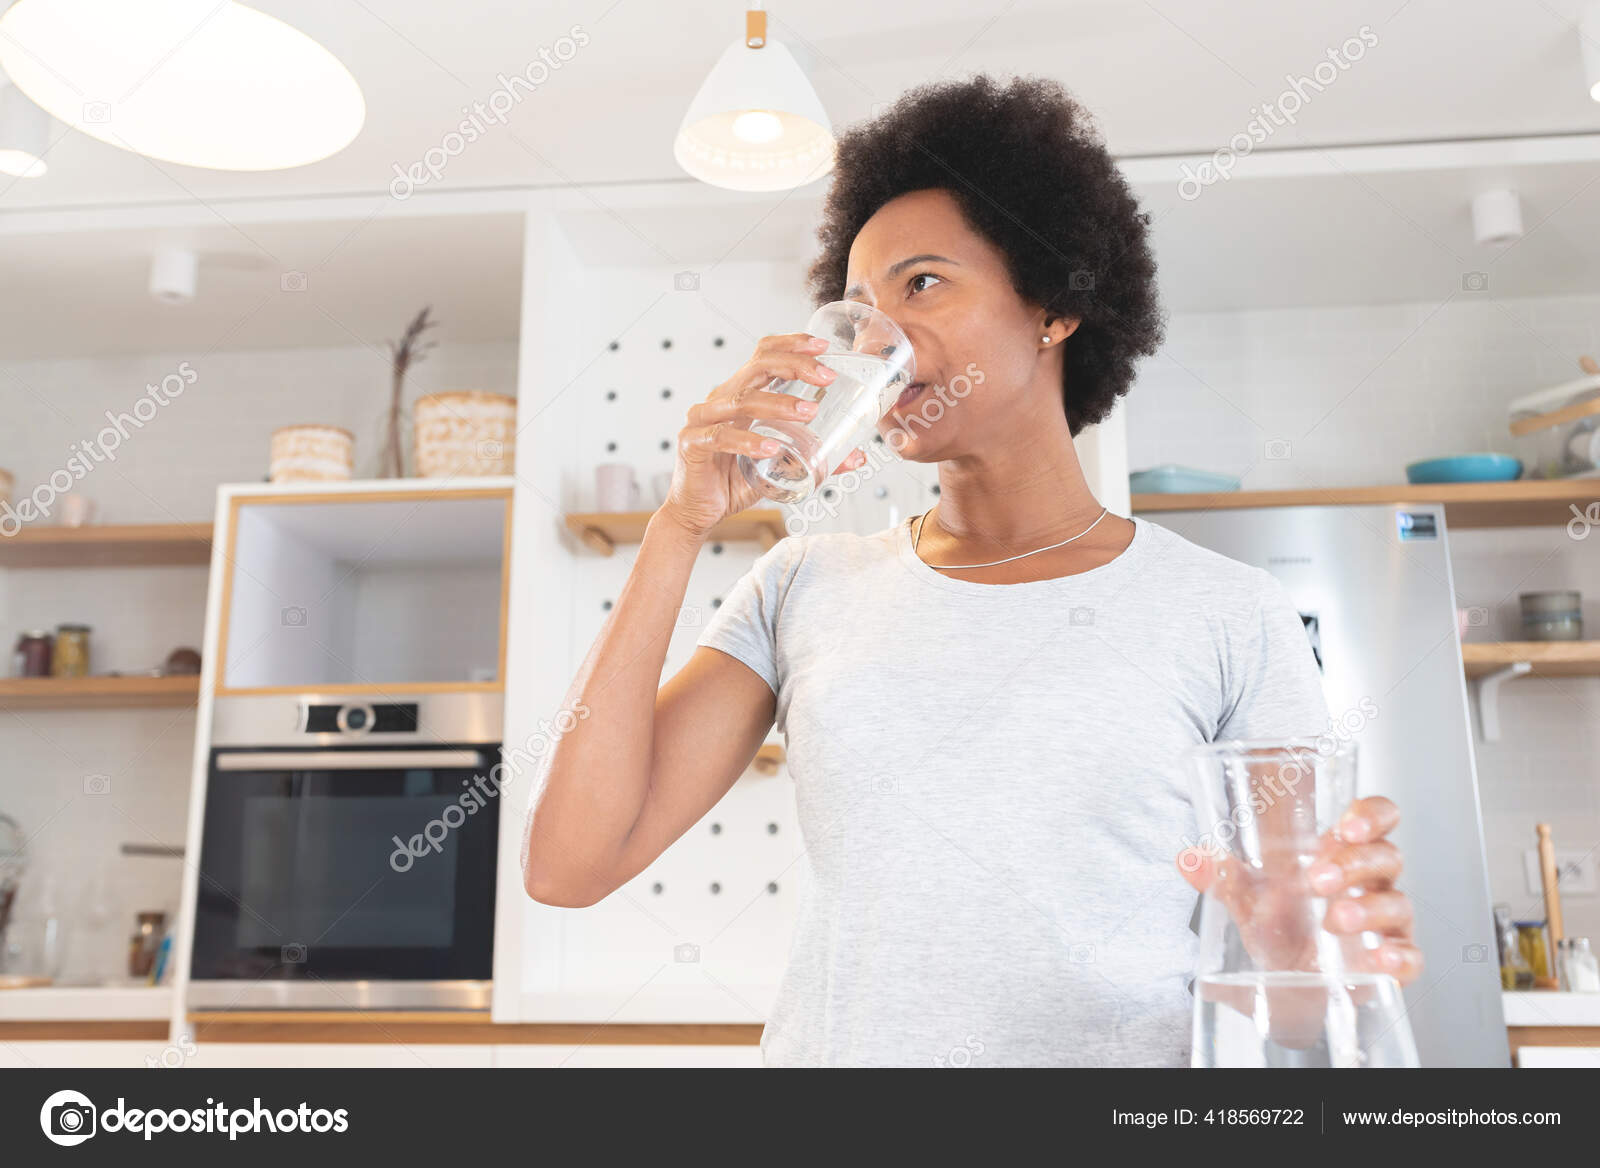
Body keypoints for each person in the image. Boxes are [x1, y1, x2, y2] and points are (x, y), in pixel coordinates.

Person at [522, 74, 1419, 1067]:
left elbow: (1314, 1016)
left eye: (923, 284)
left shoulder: (1227, 613)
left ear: (1053, 304)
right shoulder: (801, 584)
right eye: (859, 308)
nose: (884, 343)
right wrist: (680, 521)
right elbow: (570, 864)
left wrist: (1298, 957)